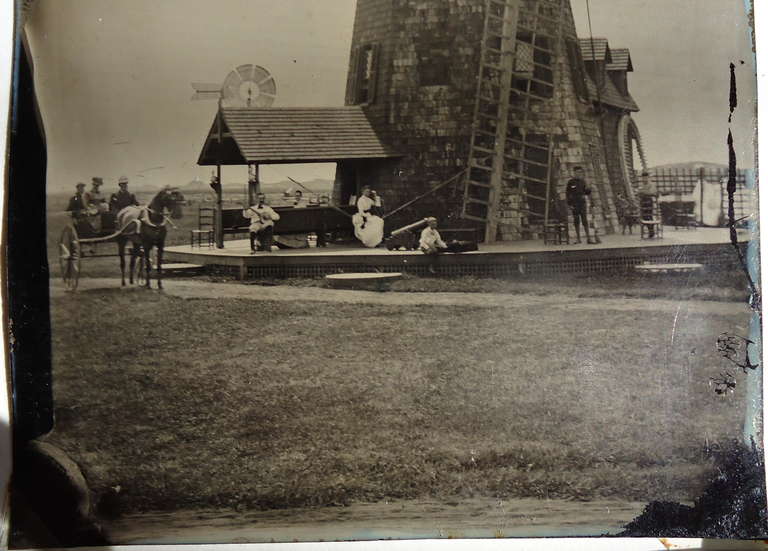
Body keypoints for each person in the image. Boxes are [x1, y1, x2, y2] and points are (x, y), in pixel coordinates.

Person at [565, 166, 592, 244]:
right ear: (574, 172)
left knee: (585, 220)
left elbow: (586, 192)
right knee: (576, 221)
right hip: (575, 204)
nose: (579, 174)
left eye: (580, 172)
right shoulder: (570, 182)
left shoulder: (583, 181)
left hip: (582, 203)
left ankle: (588, 238)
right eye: (577, 172)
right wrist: (569, 204)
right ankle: (578, 239)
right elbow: (567, 194)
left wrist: (589, 189)